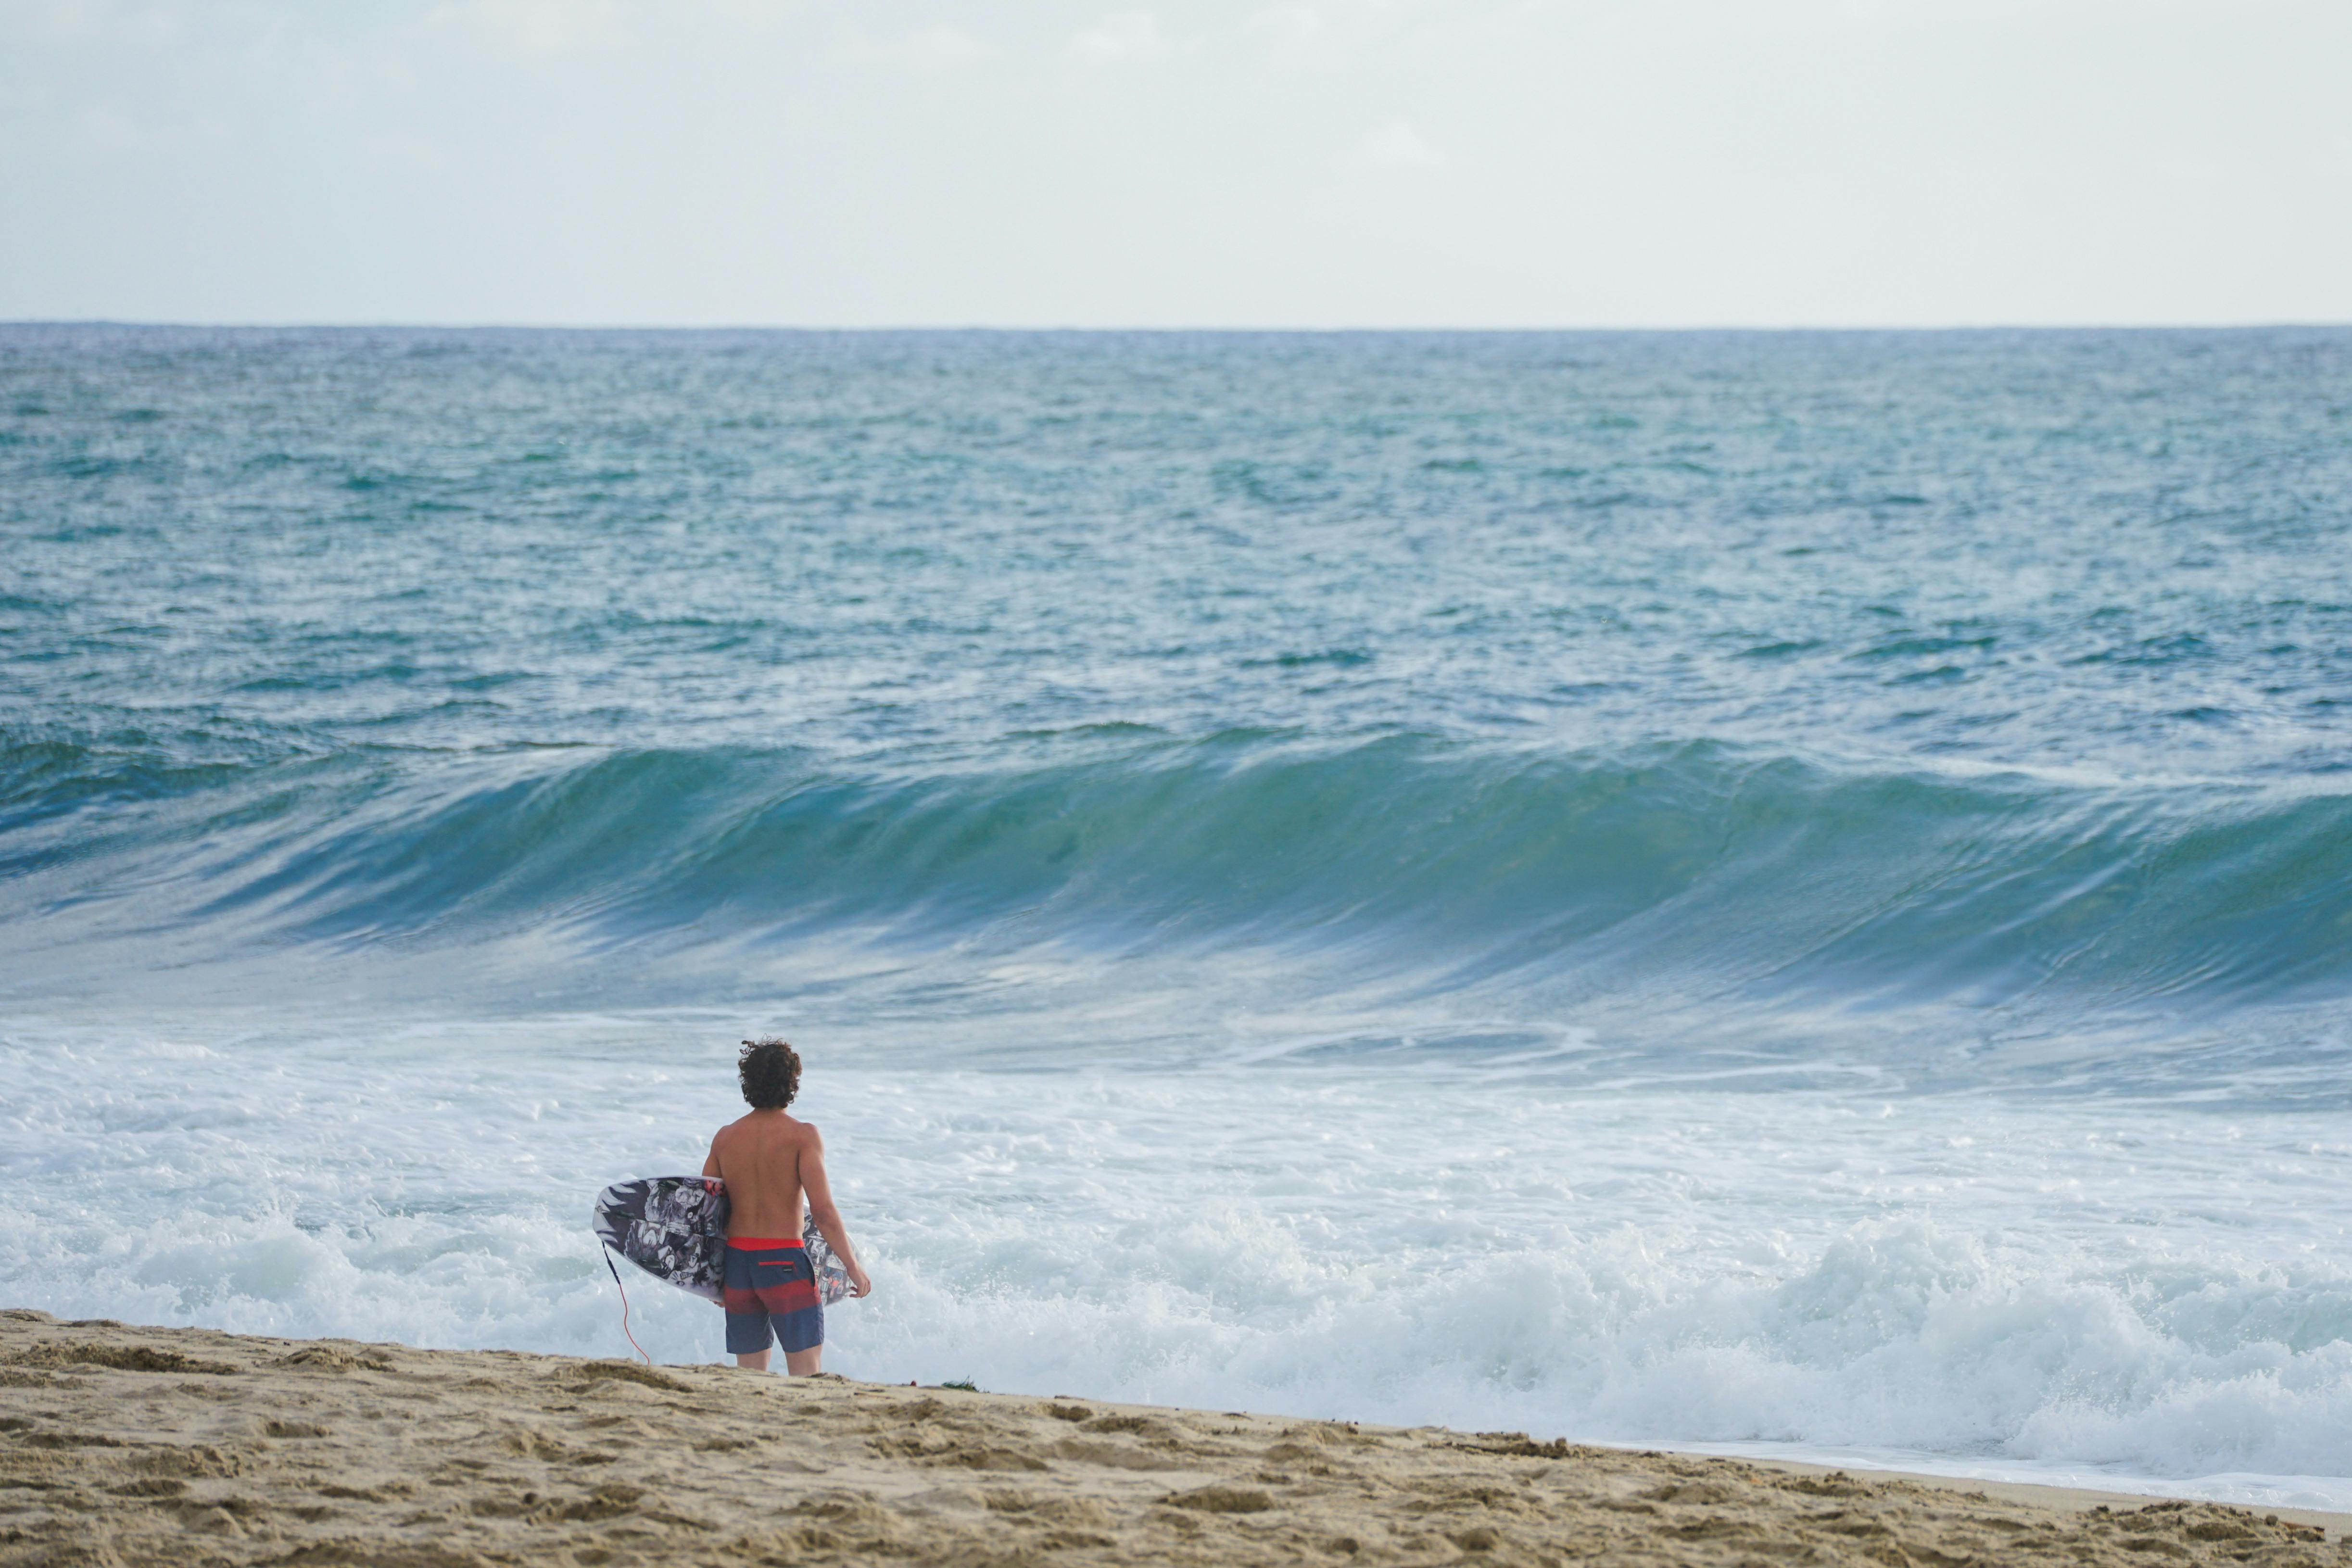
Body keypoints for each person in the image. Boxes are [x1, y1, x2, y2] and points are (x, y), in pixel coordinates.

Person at [703, 1037, 872, 1374]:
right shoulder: (803, 1136)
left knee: (750, 1375)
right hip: (784, 1264)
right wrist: (852, 1265)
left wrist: (710, 1275)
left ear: (747, 1082)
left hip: (738, 1265)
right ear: (792, 1083)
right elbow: (822, 1211)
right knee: (806, 1373)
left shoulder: (725, 1137)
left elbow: (707, 1212)